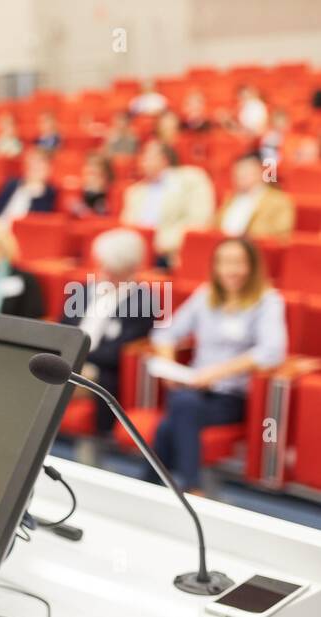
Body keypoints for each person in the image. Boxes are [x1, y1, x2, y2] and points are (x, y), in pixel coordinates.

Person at [150, 237, 286, 494]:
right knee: (180, 407)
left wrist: (217, 373)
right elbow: (166, 332)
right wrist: (168, 364)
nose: (230, 270)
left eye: (237, 263)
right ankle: (178, 488)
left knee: (177, 411)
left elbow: (272, 351)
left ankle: (171, 486)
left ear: (252, 267)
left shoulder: (268, 301)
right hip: (193, 389)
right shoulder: (205, 295)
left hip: (230, 396)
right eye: (224, 263)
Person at [60, 229, 157, 433]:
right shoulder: (84, 290)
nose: (105, 271)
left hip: (101, 370)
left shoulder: (142, 301)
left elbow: (118, 352)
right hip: (69, 359)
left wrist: (81, 357)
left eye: (113, 267)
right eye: (104, 264)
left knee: (54, 382)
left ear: (129, 268)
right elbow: (64, 327)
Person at [121, 139, 215, 267]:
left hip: (172, 253)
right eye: (142, 155)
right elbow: (127, 224)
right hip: (136, 254)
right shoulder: (134, 192)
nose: (143, 160)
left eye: (149, 155)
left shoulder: (191, 179)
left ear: (165, 159)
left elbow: (199, 221)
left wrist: (159, 244)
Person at [218, 152, 296, 240]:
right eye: (237, 172)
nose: (240, 175)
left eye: (246, 171)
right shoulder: (230, 198)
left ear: (261, 171)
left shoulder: (279, 201)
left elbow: (281, 235)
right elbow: (215, 226)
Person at [0, 147, 58, 223]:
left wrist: (37, 187)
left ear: (48, 169)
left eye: (39, 164)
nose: (34, 167)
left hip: (22, 229)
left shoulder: (48, 192)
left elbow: (41, 217)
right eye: (32, 163)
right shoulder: (12, 184)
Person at [68, 152, 113, 217]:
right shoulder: (82, 189)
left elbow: (103, 212)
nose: (91, 168)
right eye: (89, 165)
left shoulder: (107, 192)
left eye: (95, 166)